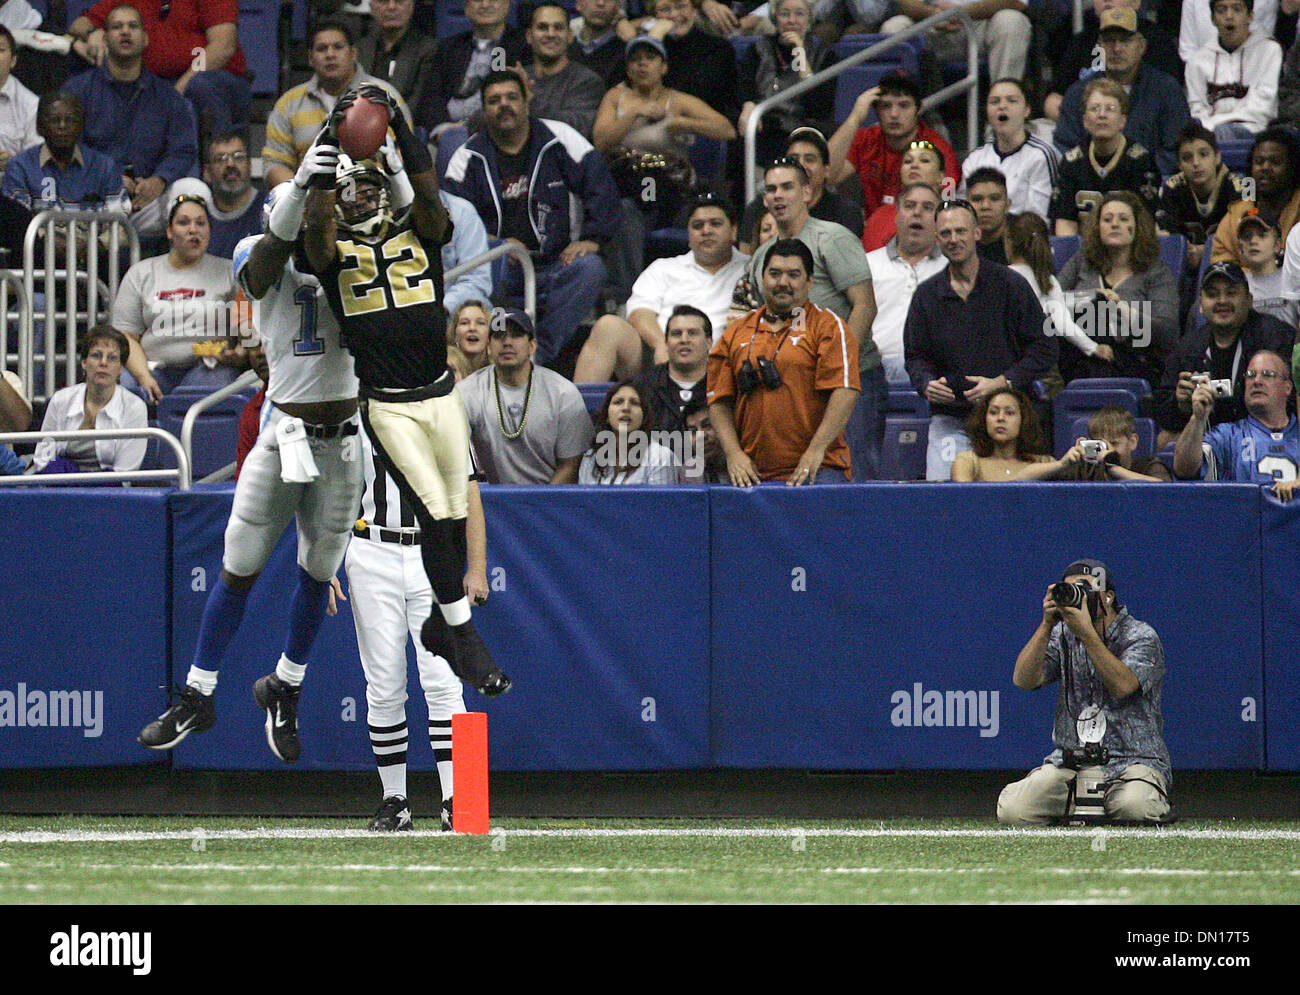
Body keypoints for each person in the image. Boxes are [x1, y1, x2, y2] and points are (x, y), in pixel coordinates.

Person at [137, 175, 364, 761]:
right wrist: (307, 189)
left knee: (318, 571)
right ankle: (197, 694)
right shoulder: (255, 254)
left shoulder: (357, 254)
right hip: (284, 434)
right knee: (239, 568)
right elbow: (263, 267)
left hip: (344, 443)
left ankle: (286, 684)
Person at [300, 85, 511, 700]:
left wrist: (398, 127)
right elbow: (315, 235)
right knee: (428, 510)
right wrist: (324, 154)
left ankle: (447, 632)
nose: (360, 195)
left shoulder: (421, 231)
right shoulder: (330, 251)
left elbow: (429, 196)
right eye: (349, 189)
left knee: (446, 520)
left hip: (442, 393)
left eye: (369, 185)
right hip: (388, 401)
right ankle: (463, 637)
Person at [345, 428, 488, 832]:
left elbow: (470, 494)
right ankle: (395, 800)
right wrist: (324, 562)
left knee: (443, 680)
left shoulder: (443, 415)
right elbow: (336, 496)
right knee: (385, 682)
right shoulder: (359, 417)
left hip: (434, 548)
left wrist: (476, 567)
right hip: (372, 547)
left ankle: (457, 799)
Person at [444, 70, 621, 366]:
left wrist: (592, 239)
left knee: (590, 268)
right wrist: (498, 244)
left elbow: (601, 187)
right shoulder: (468, 157)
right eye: (494, 100)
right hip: (499, 266)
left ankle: (537, 357)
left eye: (512, 97)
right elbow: (452, 223)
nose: (504, 105)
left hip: (556, 262)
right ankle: (492, 358)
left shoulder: (560, 138)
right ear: (484, 110)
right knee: (479, 269)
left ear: (527, 102)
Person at [998, 558, 1172, 825]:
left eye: (1084, 589)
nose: (1076, 597)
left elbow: (1123, 686)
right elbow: (1024, 679)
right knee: (1013, 809)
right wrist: (1047, 625)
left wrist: (1087, 633)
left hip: (1131, 762)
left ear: (1108, 597)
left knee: (1133, 808)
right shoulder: (1063, 633)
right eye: (1068, 590)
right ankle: (1089, 804)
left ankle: (1116, 801)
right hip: (1072, 765)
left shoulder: (1140, 635)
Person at [744, 157, 882, 477]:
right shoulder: (763, 256)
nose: (778, 195)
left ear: (806, 193)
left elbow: (865, 305)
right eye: (771, 189)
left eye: (787, 187)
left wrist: (838, 363)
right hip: (792, 386)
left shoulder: (832, 238)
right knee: (798, 476)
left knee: (854, 472)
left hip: (849, 379)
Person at [904, 198, 1057, 481]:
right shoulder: (926, 295)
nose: (954, 239)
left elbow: (1045, 348)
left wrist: (1004, 382)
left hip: (1008, 419)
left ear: (976, 233)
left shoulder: (1012, 285)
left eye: (961, 231)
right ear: (937, 239)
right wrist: (925, 382)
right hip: (951, 418)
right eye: (946, 233)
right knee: (944, 500)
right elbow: (915, 356)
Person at [708, 237, 860, 484]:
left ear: (809, 281)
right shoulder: (736, 331)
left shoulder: (828, 326)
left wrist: (815, 451)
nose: (783, 283)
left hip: (818, 469)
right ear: (761, 278)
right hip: (752, 473)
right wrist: (733, 454)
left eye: (793, 275)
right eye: (775, 274)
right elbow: (718, 401)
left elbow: (845, 391)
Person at [574, 194, 746, 382]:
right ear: (689, 235)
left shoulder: (753, 269)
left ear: (733, 231)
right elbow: (639, 314)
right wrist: (660, 345)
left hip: (729, 362)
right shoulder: (664, 268)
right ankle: (579, 410)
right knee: (608, 326)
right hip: (663, 360)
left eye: (715, 224)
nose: (706, 231)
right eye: (697, 226)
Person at [64, 4, 199, 241]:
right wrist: (108, 176)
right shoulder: (78, 91)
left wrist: (160, 179)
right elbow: (67, 148)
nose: (125, 32)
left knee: (193, 190)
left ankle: (186, 274)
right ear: (105, 39)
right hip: (95, 201)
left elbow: (183, 149)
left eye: (133, 26)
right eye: (117, 27)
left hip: (147, 204)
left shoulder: (168, 97)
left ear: (145, 39)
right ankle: (104, 247)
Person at [592, 34, 735, 228]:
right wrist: (632, 114)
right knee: (623, 205)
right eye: (635, 60)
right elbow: (600, 143)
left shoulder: (678, 100)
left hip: (668, 185)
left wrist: (682, 122)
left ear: (664, 67)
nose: (642, 64)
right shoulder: (615, 97)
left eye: (650, 58)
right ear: (627, 69)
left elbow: (727, 130)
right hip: (624, 180)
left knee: (642, 196)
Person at [114, 192, 240, 400]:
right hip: (153, 367)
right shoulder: (142, 273)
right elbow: (127, 336)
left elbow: (247, 328)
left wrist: (237, 354)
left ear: (209, 230)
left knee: (206, 389)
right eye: (184, 223)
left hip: (211, 367)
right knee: (126, 390)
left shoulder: (229, 272)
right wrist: (145, 378)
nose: (193, 230)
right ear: (169, 232)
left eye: (201, 223)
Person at [68, 0, 251, 139]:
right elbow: (79, 24)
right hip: (159, 83)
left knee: (199, 87)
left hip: (216, 80)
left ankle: (218, 168)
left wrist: (180, 89)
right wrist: (93, 32)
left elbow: (222, 47)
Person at [263, 20, 408, 190]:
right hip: (309, 206)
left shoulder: (384, 96)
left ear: (353, 54)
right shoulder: (288, 104)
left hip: (374, 201)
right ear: (310, 58)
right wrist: (300, 199)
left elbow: (402, 153)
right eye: (321, 49)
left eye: (338, 47)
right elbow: (275, 163)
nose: (330, 55)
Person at [457, 307, 596, 484]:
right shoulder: (468, 391)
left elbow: (571, 464)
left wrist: (538, 503)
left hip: (552, 500)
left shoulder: (563, 392)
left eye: (516, 335)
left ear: (532, 346)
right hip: (494, 502)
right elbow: (454, 455)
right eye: (499, 336)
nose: (507, 342)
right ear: (489, 347)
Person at [1155, 261, 1294, 437]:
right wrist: (1180, 405)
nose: (1222, 301)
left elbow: (1292, 401)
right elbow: (1163, 411)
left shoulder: (1277, 337)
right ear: (1200, 304)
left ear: (1249, 300)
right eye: (1213, 295)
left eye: (1231, 293)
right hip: (1209, 436)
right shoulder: (1187, 347)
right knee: (1165, 439)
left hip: (1268, 434)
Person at [1057, 191, 1180, 385]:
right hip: (1079, 362)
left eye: (1123, 219)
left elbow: (1167, 332)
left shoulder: (1156, 271)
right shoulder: (1081, 261)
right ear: (1097, 227)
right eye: (1107, 219)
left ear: (1137, 227)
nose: (1115, 224)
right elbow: (1050, 304)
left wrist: (1122, 310)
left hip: (1135, 367)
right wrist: (1093, 297)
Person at [1052, 6, 1190, 178]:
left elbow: (1176, 150)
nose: (1117, 48)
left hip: (1149, 186)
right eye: (1110, 41)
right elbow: (1065, 147)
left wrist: (1133, 174)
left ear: (1141, 46)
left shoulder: (1166, 90)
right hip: (1091, 185)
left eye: (1125, 40)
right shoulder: (1078, 92)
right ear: (1100, 47)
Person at [829, 73, 959, 222]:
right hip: (875, 230)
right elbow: (827, 177)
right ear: (876, 110)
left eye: (904, 105)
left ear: (919, 110)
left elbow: (947, 206)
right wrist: (855, 118)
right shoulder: (866, 139)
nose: (894, 114)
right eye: (885, 106)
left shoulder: (937, 150)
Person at [1051, 77, 1160, 236]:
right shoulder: (1071, 163)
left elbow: (1145, 224)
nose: (1102, 115)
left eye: (1110, 108)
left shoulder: (1141, 162)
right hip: (1082, 254)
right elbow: (1064, 222)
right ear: (1085, 121)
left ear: (1122, 120)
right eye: (1095, 108)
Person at [1174, 348, 1298, 489]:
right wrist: (1197, 419)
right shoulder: (1227, 436)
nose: (1257, 381)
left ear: (1288, 387)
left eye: (1267, 374)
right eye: (1250, 375)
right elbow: (1183, 470)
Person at [1004, 211, 1107, 374]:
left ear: (1008, 243)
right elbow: (1062, 322)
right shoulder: (1048, 280)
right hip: (1041, 362)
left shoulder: (999, 278)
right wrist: (1093, 347)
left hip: (1008, 361)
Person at [36, 325, 146, 474]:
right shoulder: (60, 400)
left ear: (121, 368)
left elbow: (125, 472)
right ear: (84, 363)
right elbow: (43, 460)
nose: (103, 363)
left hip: (110, 491)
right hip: (60, 486)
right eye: (96, 355)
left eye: (112, 358)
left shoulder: (135, 407)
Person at [864, 181, 946, 383]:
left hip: (935, 372)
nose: (917, 212)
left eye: (927, 208)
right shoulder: (867, 264)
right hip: (875, 368)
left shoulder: (951, 268)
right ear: (897, 215)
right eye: (909, 206)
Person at [736, 0, 834, 166]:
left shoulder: (824, 55)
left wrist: (801, 57)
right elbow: (744, 85)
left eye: (799, 14)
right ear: (775, 18)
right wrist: (748, 105)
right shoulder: (758, 49)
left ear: (809, 19)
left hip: (801, 128)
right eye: (785, 14)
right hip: (764, 124)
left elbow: (820, 108)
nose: (792, 20)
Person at [738, 127, 862, 253]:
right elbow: (746, 260)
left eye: (810, 159)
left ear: (826, 170)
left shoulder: (846, 212)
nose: (801, 165)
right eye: (794, 159)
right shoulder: (758, 208)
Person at [1, 89, 125, 210]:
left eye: (70, 120)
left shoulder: (104, 167)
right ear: (40, 126)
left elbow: (120, 220)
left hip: (92, 231)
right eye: (54, 120)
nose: (62, 126)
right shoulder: (20, 167)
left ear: (81, 126)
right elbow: (17, 223)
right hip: (42, 231)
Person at [420, 0, 526, 137]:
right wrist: (442, 129)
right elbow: (431, 97)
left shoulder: (523, 47)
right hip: (448, 133)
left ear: (507, 5)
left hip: (498, 131)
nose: (485, 5)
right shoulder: (449, 47)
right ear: (466, 8)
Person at [960, 78, 1059, 221]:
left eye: (1012, 101)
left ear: (1026, 110)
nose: (1002, 106)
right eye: (994, 102)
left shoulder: (1041, 155)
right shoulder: (975, 159)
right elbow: (962, 210)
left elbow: (1038, 220)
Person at [1155, 123, 1245, 279]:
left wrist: (1205, 251)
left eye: (1203, 154)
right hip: (1187, 264)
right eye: (1187, 158)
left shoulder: (1241, 186)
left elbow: (1243, 235)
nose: (1196, 163)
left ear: (1217, 157)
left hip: (1231, 263)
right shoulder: (1172, 188)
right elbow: (1168, 236)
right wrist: (1187, 251)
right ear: (1179, 164)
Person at [1186, 0, 1283, 142]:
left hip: (1257, 132)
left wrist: (1218, 124)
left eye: (1237, 9)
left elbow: (1263, 108)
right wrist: (1214, 128)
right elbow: (1197, 110)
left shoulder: (1270, 51)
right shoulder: (1197, 60)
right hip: (1211, 135)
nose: (1229, 16)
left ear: (1250, 16)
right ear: (1213, 19)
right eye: (1221, 10)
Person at [883, 0, 1032, 84]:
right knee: (893, 27)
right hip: (933, 24)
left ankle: (1002, 122)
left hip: (984, 24)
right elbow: (903, 3)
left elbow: (1018, 2)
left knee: (1012, 21)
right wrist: (932, 13)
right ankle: (912, 122)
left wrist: (962, 13)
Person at [1214, 126, 1300, 263]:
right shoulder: (1236, 213)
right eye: (1259, 162)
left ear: (1292, 168)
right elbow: (1222, 262)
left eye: (1275, 162)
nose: (1265, 168)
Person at [522, 3, 606, 140]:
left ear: (570, 35)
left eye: (558, 27)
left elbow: (575, 130)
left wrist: (527, 100)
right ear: (529, 36)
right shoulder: (518, 77)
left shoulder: (588, 82)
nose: (551, 34)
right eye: (543, 27)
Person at [578, 379, 681, 484]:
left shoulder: (659, 456)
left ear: (644, 416)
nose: (626, 408)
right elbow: (582, 500)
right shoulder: (591, 457)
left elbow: (661, 500)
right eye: (618, 402)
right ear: (607, 416)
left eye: (635, 403)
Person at [355, 0, 437, 127]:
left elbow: (418, 102)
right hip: (359, 124)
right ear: (371, 7)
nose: (391, 7)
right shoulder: (360, 49)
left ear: (411, 6)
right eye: (383, 2)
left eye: (399, 1)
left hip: (402, 128)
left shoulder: (427, 50)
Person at [949, 387, 1054, 481]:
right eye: (993, 412)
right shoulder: (968, 461)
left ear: (1023, 420)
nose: (1000, 418)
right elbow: (964, 500)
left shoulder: (1044, 462)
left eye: (1009, 413)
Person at [860, 138, 944, 253]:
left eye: (924, 160)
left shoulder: (952, 215)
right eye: (908, 161)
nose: (914, 165)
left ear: (941, 176)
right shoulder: (880, 216)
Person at [637, 304, 710, 433]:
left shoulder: (725, 385)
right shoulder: (641, 387)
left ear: (709, 342)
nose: (684, 339)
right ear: (666, 342)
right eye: (676, 334)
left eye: (692, 333)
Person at [1055, 405, 1172, 482]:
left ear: (1132, 442)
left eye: (1114, 443)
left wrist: (1112, 467)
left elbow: (1166, 490)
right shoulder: (1086, 470)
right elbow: (1038, 481)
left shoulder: (1149, 466)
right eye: (1101, 444)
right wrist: (1063, 464)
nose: (1107, 450)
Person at [202, 131, 266, 260]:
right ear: (207, 172)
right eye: (220, 159)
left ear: (249, 165)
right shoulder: (199, 217)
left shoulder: (269, 208)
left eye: (238, 157)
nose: (230, 164)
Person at [1237, 210, 1300, 326]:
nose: (1253, 241)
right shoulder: (1235, 284)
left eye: (1262, 235)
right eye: (1247, 236)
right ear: (1240, 249)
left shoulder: (1293, 277)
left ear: (1277, 245)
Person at [0, 24, 36, 173]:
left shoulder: (31, 105)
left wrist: (13, 164)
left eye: (0, 50)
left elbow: (37, 165)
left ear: (13, 60)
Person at [570, 0, 629, 87]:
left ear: (618, 8)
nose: (601, 3)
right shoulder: (563, 49)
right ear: (579, 4)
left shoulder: (626, 56)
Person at [967, 166, 1011, 266]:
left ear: (1007, 205)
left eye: (994, 199)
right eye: (977, 199)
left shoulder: (1022, 244)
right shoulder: (957, 241)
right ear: (967, 206)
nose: (985, 206)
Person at [451, 299, 491, 376]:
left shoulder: (500, 370)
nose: (472, 328)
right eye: (464, 323)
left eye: (480, 323)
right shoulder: (445, 367)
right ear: (455, 334)